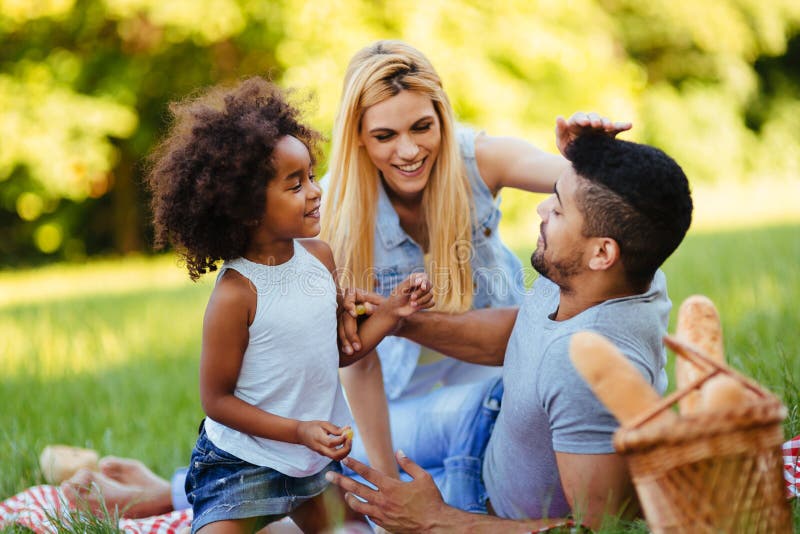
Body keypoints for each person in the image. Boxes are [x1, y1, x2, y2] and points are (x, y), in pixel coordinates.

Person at [326, 131, 694, 531]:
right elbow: (521, 334)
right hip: (484, 416)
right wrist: (399, 319)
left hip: (478, 505)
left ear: (602, 253)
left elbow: (594, 529)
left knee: (331, 511)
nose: (541, 209)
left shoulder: (584, 368)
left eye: (559, 211)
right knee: (317, 464)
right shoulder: (609, 274)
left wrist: (435, 519)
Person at [320, 39, 632, 482]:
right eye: (385, 136)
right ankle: (199, 489)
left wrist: (590, 157)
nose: (408, 151)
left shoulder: (476, 159)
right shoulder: (333, 212)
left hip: (489, 361)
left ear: (442, 117)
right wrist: (387, 482)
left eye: (422, 127)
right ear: (358, 136)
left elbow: (586, 184)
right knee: (361, 468)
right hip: (398, 392)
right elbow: (358, 361)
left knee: (510, 429)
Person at [143, 76, 433, 533]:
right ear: (246, 208)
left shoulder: (320, 258)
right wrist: (299, 430)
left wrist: (393, 311)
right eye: (295, 185)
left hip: (309, 465)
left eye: (312, 177)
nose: (316, 191)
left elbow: (340, 351)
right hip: (242, 465)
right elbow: (216, 400)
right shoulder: (237, 294)